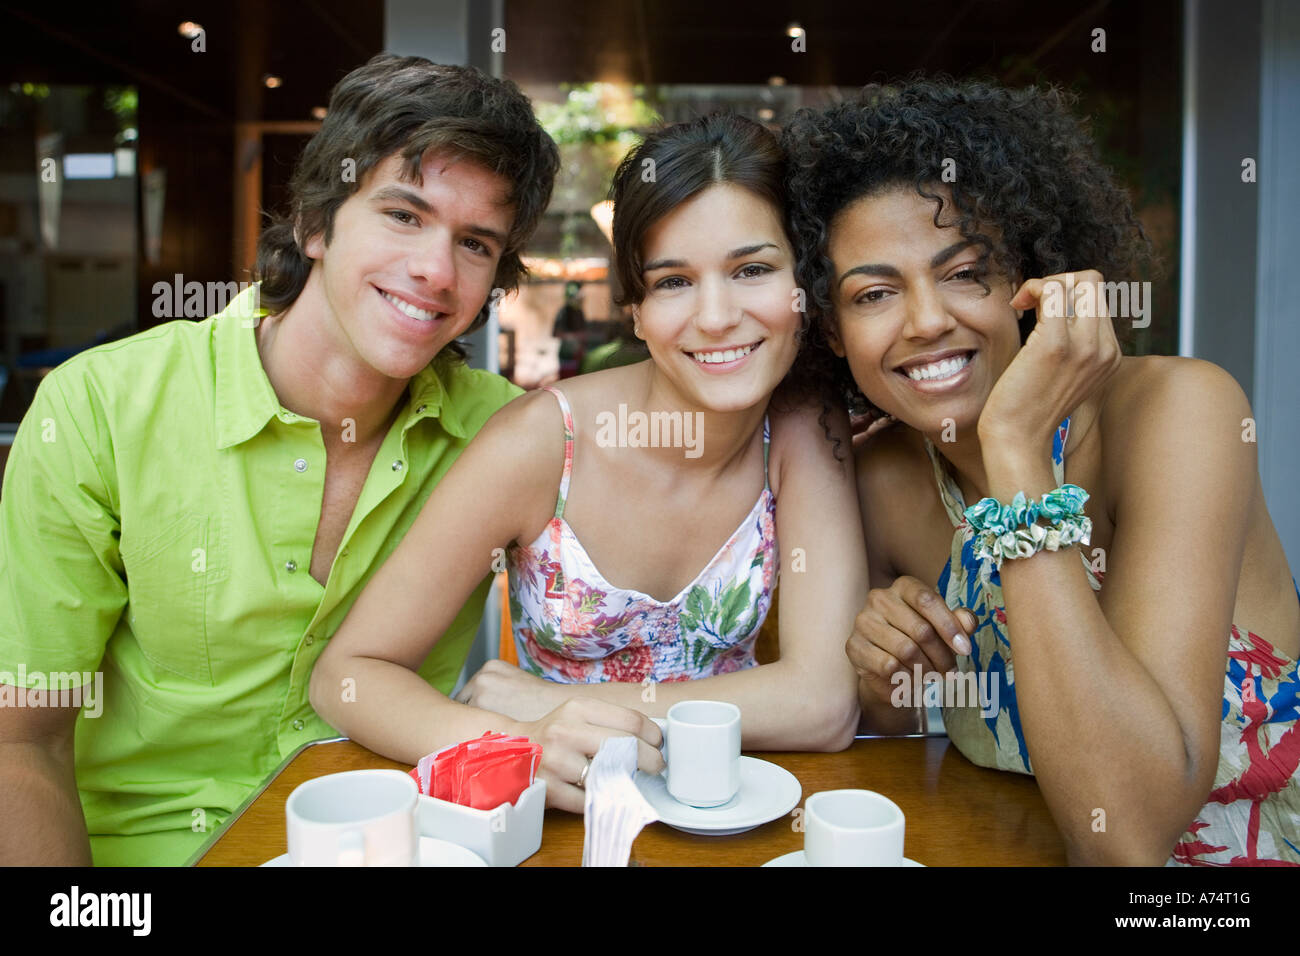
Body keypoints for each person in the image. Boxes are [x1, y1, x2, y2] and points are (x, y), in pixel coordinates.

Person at [0, 54, 560, 866]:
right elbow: (24, 742)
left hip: (406, 847)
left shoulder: (506, 432)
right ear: (315, 223)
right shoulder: (102, 408)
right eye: (403, 215)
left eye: (475, 244)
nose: (435, 271)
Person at [784, 79, 1300, 866]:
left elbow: (1127, 839)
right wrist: (886, 681)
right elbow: (890, 734)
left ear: (1027, 282)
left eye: (965, 273)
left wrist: (1016, 448)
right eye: (875, 293)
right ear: (830, 330)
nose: (927, 320)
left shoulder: (1180, 413)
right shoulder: (880, 477)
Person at [312, 114, 868, 813]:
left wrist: (564, 703)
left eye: (752, 270)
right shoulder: (542, 443)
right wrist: (519, 736)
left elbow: (823, 703)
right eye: (672, 282)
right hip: (560, 822)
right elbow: (348, 675)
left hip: (730, 809)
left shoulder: (804, 427)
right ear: (634, 310)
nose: (718, 316)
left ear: (802, 287)